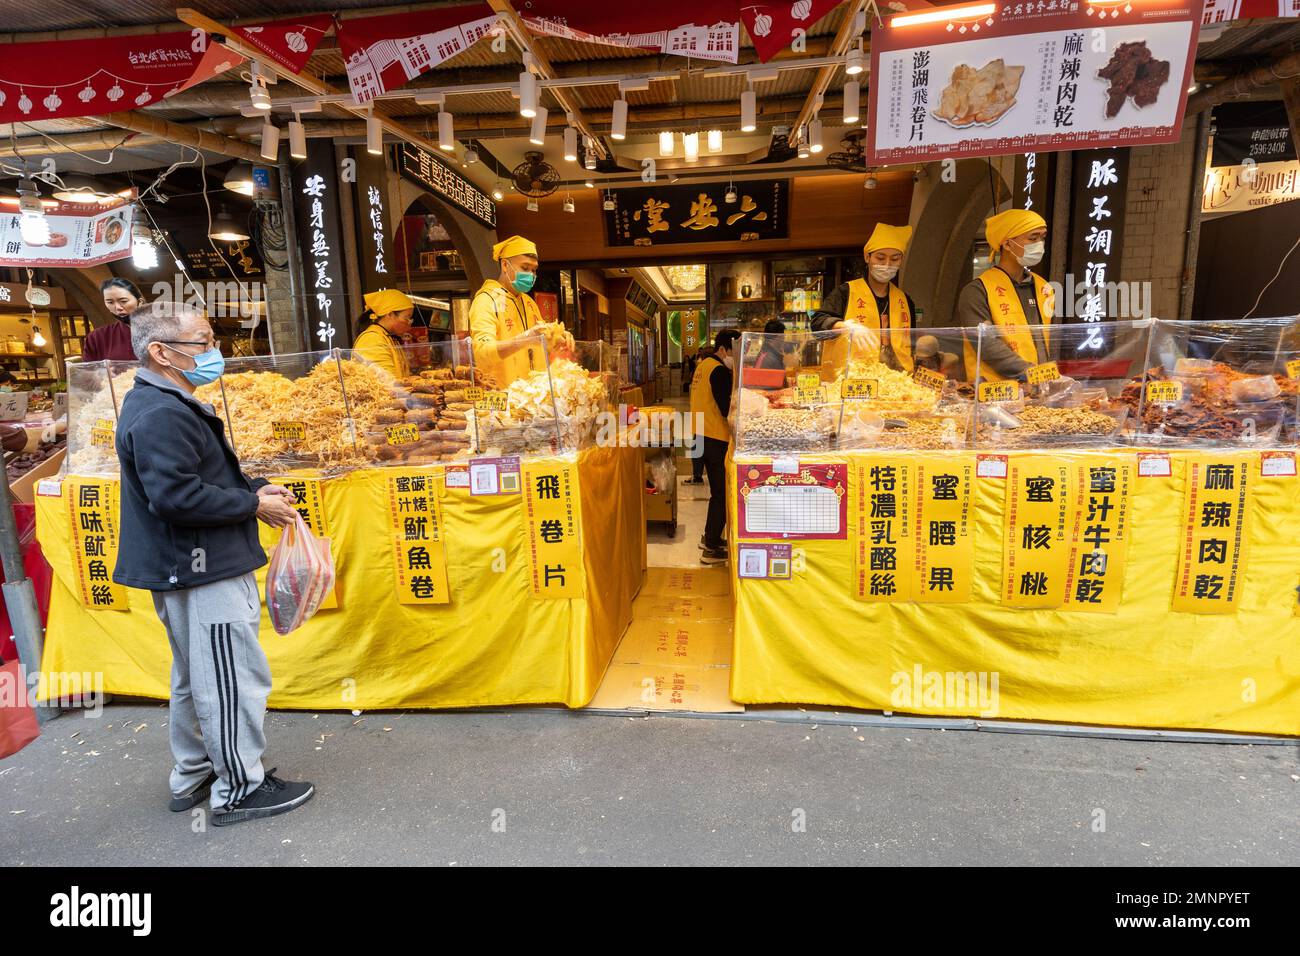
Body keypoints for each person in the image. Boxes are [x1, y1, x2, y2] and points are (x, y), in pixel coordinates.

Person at [113, 303, 314, 827]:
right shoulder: (161, 411)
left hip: (186, 565)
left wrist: (250, 488)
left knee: (193, 677)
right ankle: (239, 789)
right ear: (162, 352)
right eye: (202, 343)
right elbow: (176, 498)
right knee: (228, 677)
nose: (214, 353)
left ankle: (195, 771)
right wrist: (253, 506)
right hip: (199, 568)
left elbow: (192, 480)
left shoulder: (165, 400)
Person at [955, 208, 1056, 382]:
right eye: (1033, 238)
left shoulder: (1043, 287)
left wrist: (1049, 376)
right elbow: (986, 344)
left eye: (1042, 237)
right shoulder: (977, 291)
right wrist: (1031, 373)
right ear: (1008, 244)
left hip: (1039, 388)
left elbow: (1050, 339)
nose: (1039, 244)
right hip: (996, 392)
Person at [812, 223, 919, 371]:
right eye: (880, 258)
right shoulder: (845, 292)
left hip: (896, 379)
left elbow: (911, 343)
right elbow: (818, 323)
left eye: (895, 259)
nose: (887, 265)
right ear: (867, 257)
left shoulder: (905, 300)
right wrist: (845, 326)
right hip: (853, 379)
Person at [469, 235, 571, 386]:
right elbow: (482, 353)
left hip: (532, 396)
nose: (530, 274)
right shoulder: (486, 300)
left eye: (534, 270)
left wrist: (558, 338)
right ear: (505, 265)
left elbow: (542, 344)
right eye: (525, 268)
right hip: (502, 397)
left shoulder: (529, 302)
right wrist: (522, 340)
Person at [691, 329, 740, 566]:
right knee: (721, 492)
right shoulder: (719, 370)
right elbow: (725, 409)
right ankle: (710, 547)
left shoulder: (703, 365)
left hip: (701, 434)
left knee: (717, 491)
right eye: (734, 352)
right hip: (715, 436)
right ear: (723, 349)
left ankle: (710, 537)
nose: (735, 357)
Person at [353, 289, 415, 378]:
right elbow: (385, 381)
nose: (409, 323)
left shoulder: (389, 336)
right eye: (407, 318)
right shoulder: (372, 339)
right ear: (390, 315)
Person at [83, 277, 145, 362]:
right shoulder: (97, 337)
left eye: (123, 301)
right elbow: (88, 370)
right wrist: (101, 372)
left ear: (140, 302)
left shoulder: (162, 331)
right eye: (110, 302)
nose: (118, 307)